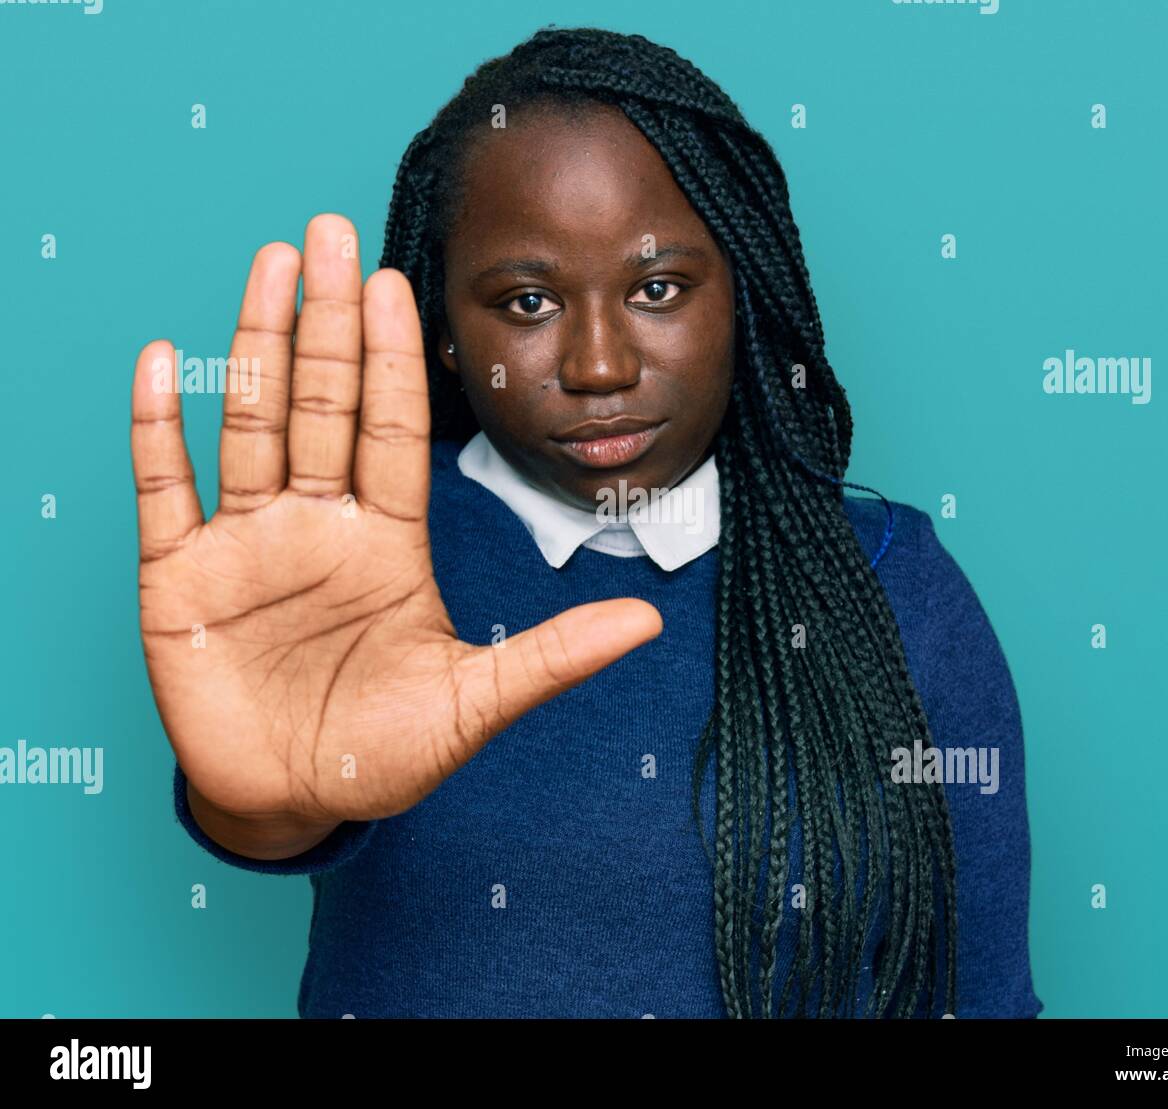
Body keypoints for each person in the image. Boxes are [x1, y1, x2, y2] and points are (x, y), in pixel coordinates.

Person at [130, 26, 1042, 1019]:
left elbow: (980, 998)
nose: (598, 365)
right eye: (526, 301)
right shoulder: (350, 559)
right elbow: (272, 804)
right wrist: (269, 803)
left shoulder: (892, 590)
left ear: (744, 293)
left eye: (657, 289)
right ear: (443, 325)